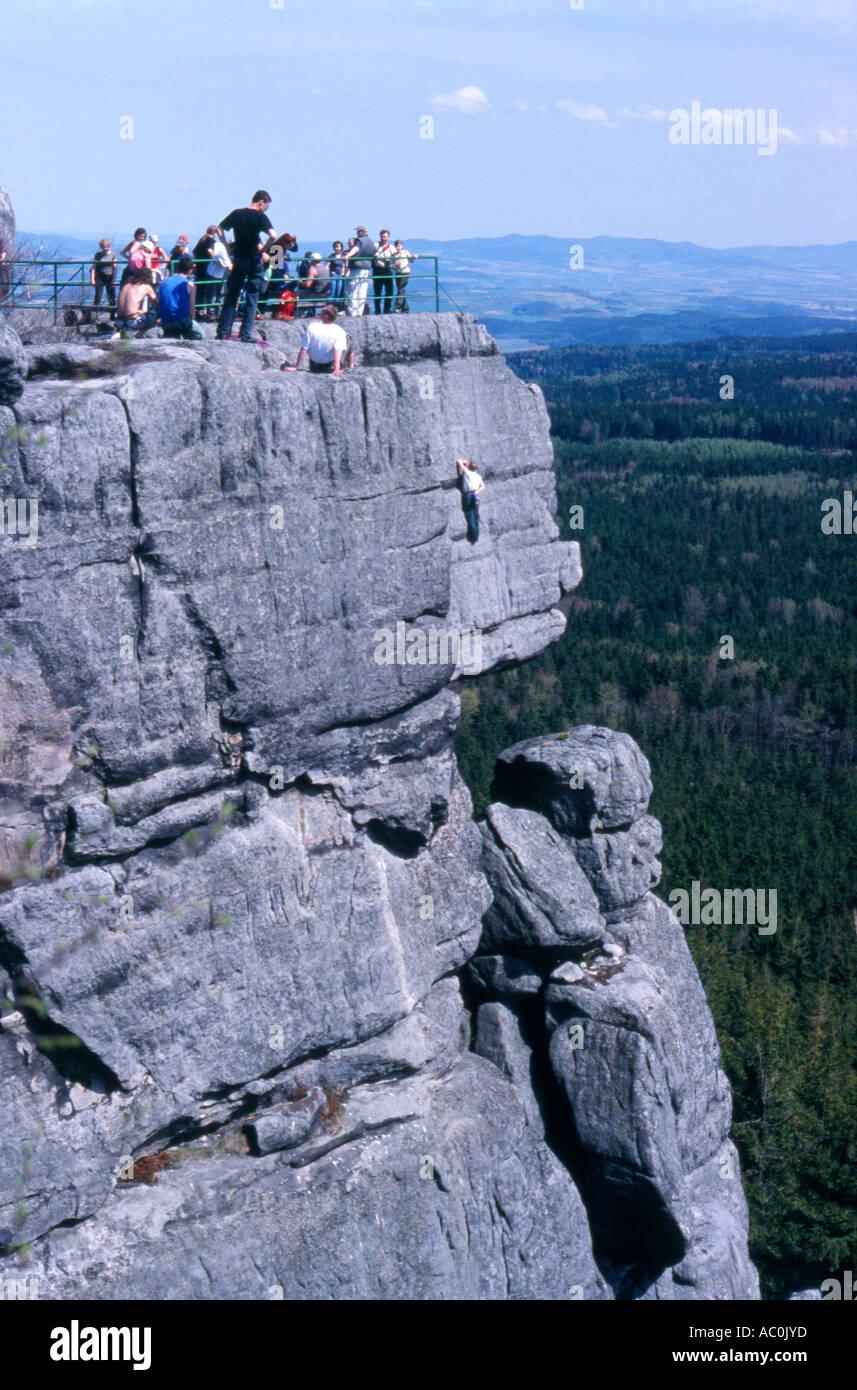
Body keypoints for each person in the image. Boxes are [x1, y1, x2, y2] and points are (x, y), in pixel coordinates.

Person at [216, 190, 278, 343]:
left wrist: (226, 246)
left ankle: (223, 331)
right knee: (252, 296)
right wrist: (263, 250)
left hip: (238, 257)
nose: (266, 209)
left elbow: (219, 228)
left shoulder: (237, 213)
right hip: (253, 258)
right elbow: (273, 235)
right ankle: (245, 334)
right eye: (266, 206)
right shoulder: (260, 216)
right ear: (261, 202)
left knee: (232, 294)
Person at [283, 303, 347, 376]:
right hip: (329, 366)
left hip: (314, 365)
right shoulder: (340, 331)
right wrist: (336, 369)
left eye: (322, 312)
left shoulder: (312, 327)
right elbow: (337, 351)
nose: (319, 313)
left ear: (326, 316)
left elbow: (304, 348)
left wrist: (296, 366)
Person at [158, 256, 202, 339]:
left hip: (165, 319)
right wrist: (191, 319)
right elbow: (192, 309)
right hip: (180, 320)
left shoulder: (164, 281)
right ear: (190, 271)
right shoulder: (190, 285)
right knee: (200, 334)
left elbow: (161, 300)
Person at [344, 225, 375, 317]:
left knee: (353, 290)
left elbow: (356, 249)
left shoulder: (360, 241)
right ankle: (359, 312)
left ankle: (352, 312)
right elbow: (375, 253)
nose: (357, 234)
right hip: (366, 268)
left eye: (358, 232)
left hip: (357, 267)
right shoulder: (371, 242)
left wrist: (347, 256)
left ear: (362, 232)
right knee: (362, 290)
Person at [115, 269, 158, 338]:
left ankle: (122, 332)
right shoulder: (146, 287)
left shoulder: (126, 285)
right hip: (133, 322)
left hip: (119, 322)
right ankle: (140, 333)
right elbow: (157, 303)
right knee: (154, 313)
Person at [456, 458, 485, 543]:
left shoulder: (467, 472)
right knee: (475, 514)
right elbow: (483, 486)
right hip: (475, 496)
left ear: (469, 467)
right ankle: (476, 534)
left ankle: (473, 535)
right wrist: (477, 491)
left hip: (467, 495)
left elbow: (458, 461)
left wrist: (464, 462)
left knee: (469, 513)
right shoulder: (478, 476)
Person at [372, 229, 395, 315]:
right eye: (382, 236)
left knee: (389, 291)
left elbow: (394, 258)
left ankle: (387, 309)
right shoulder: (376, 245)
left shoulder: (391, 248)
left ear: (388, 237)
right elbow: (373, 255)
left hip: (387, 270)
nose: (383, 238)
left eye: (384, 236)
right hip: (377, 270)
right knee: (377, 291)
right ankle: (377, 310)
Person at [392, 240, 419, 313]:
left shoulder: (405, 252)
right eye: (397, 246)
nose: (398, 247)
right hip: (398, 273)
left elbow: (411, 260)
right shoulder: (394, 255)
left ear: (402, 246)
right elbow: (391, 266)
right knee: (401, 289)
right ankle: (405, 308)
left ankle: (397, 306)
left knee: (400, 287)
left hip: (405, 272)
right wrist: (395, 265)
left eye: (399, 246)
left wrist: (414, 256)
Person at [91, 238, 117, 310]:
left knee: (111, 296)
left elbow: (115, 268)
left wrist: (113, 280)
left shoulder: (113, 255)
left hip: (110, 276)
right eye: (103, 247)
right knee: (98, 294)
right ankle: (95, 312)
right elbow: (94, 267)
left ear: (109, 246)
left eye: (107, 247)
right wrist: (92, 279)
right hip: (100, 275)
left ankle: (112, 314)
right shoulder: (98, 255)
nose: (105, 249)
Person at [328, 240, 347, 309]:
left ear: (341, 247)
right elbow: (327, 265)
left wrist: (343, 272)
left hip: (340, 275)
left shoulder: (343, 256)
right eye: (336, 247)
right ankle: (330, 307)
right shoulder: (331, 256)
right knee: (332, 290)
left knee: (338, 291)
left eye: (338, 246)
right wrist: (330, 271)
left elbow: (344, 265)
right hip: (334, 275)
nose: (337, 248)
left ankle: (336, 308)